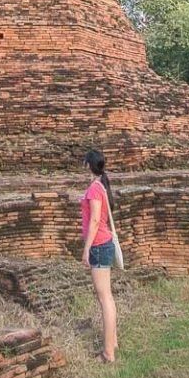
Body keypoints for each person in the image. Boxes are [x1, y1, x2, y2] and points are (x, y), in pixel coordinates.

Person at [81, 149, 118, 363]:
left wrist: (86, 249)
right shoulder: (102, 186)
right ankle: (111, 342)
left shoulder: (95, 189)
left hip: (98, 245)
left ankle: (108, 354)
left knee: (104, 298)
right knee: (108, 297)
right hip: (104, 244)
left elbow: (95, 221)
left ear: (88, 165)